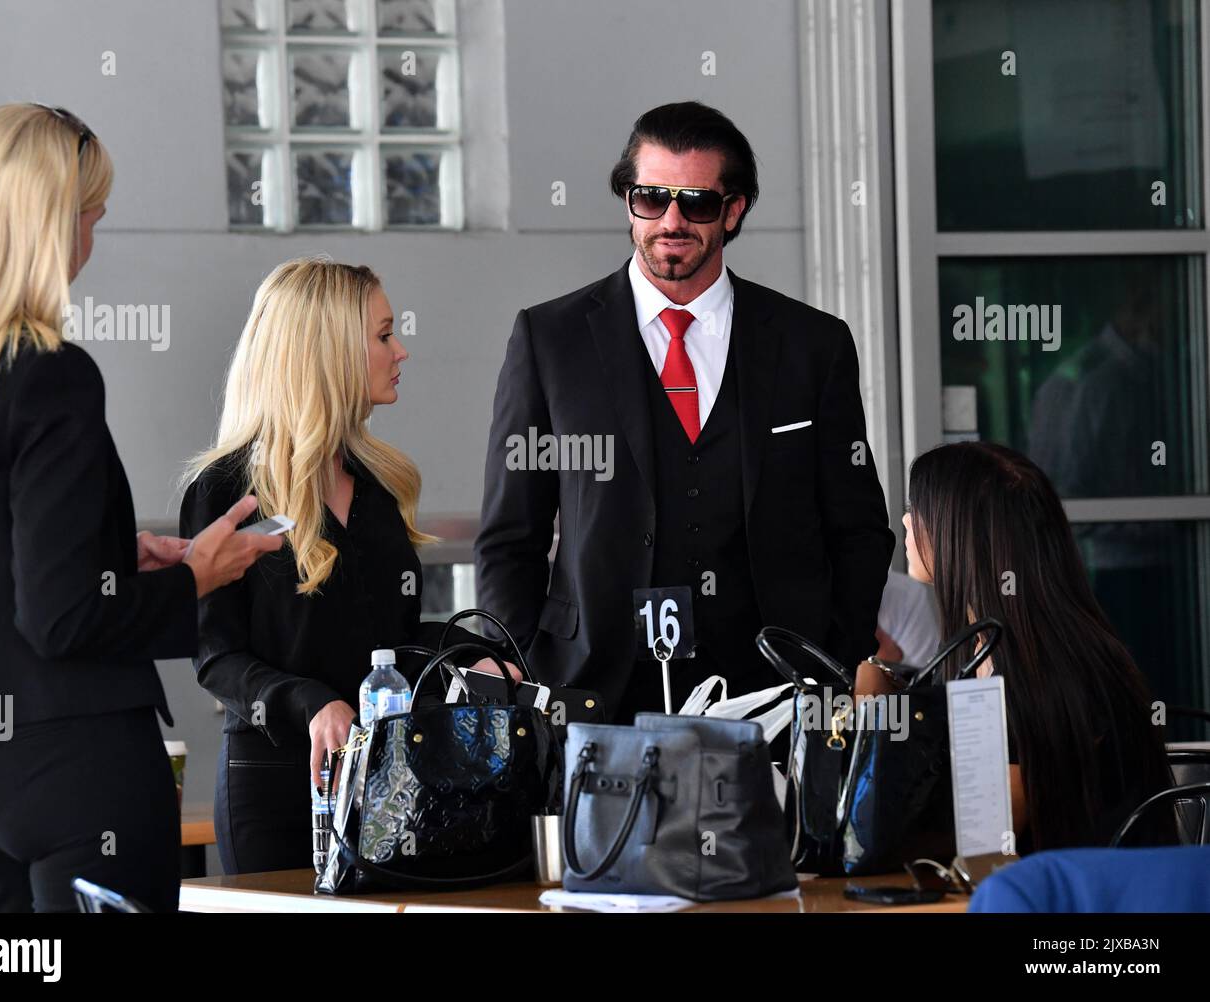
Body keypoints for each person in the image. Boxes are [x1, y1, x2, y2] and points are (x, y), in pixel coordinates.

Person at [0, 103, 280, 912]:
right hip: (72, 765)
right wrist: (198, 578)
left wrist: (113, 554)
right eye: (88, 217)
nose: (89, 244)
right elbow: (62, 619)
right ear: (44, 224)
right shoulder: (50, 374)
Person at [476, 102, 894, 721]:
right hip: (592, 685)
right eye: (650, 197)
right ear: (627, 201)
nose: (670, 220)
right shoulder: (550, 338)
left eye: (696, 202)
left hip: (775, 689)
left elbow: (858, 527)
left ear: (734, 210)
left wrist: (833, 655)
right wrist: (511, 660)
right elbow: (513, 531)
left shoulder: (813, 344)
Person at [180, 258, 512, 875]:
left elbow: (395, 640)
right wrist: (311, 703)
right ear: (327, 350)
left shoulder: (377, 490)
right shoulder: (227, 488)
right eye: (384, 335)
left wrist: (472, 655)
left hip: (384, 786)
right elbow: (215, 657)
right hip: (274, 789)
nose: (402, 350)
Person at [856, 441, 1176, 853]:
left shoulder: (1036, 675)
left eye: (917, 509)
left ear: (961, 534)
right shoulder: (1000, 648)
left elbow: (983, 843)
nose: (904, 521)